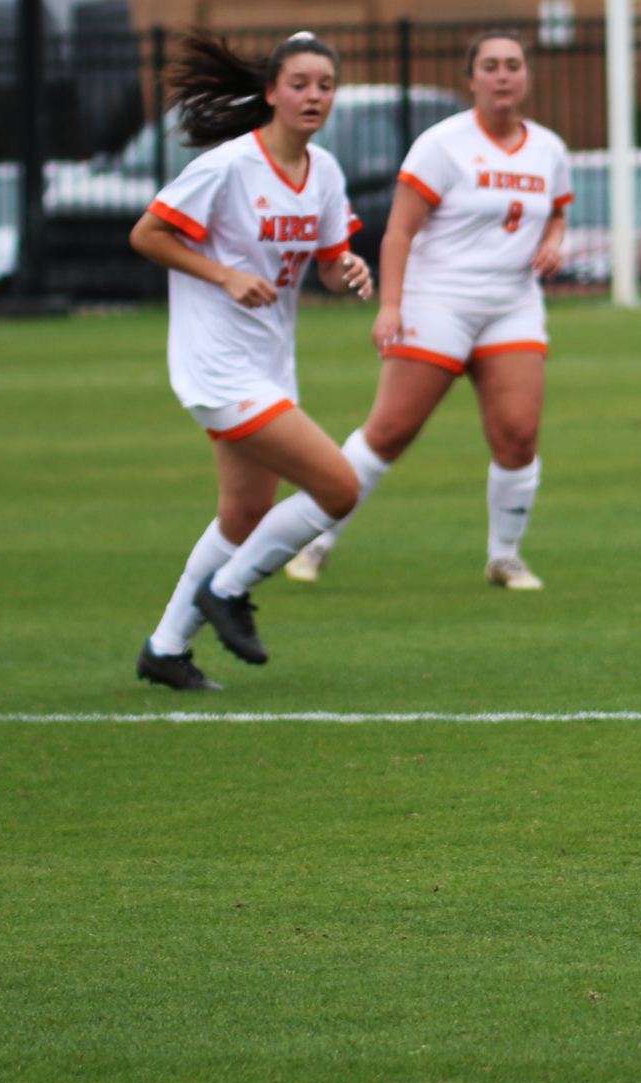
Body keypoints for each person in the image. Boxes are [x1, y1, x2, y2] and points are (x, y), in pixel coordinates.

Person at [284, 31, 571, 591]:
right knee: (390, 432)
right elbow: (398, 233)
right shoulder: (443, 144)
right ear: (472, 79)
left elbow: (557, 211)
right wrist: (391, 306)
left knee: (518, 436)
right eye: (491, 66)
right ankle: (315, 538)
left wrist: (556, 240)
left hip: (512, 303)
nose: (503, 75)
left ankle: (504, 557)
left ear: (526, 76)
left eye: (513, 65)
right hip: (438, 299)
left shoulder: (549, 148)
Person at [131, 31, 374, 690]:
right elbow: (147, 234)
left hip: (267, 366)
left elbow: (324, 265)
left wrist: (345, 265)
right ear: (271, 91)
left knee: (243, 514)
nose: (314, 96)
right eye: (300, 83)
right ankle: (230, 589)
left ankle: (165, 649)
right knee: (339, 486)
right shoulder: (230, 165)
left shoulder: (322, 170)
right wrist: (222, 275)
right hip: (217, 364)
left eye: (325, 85)